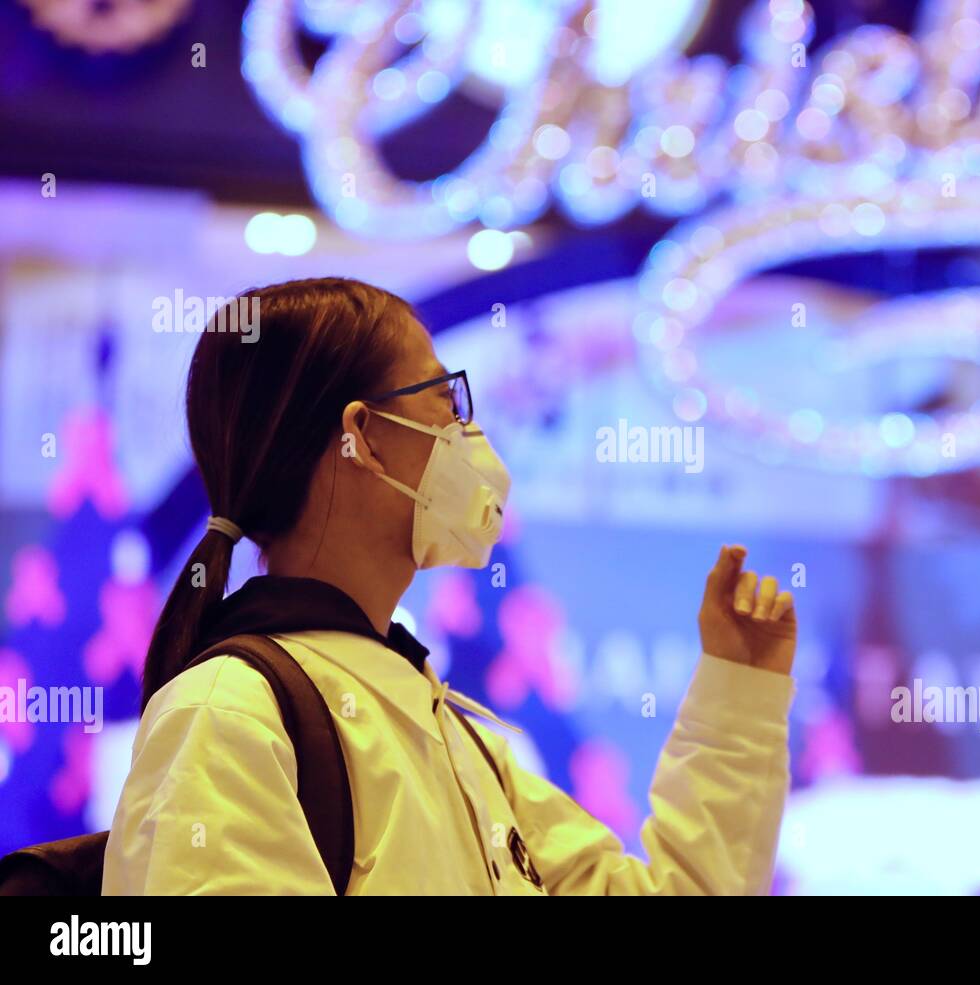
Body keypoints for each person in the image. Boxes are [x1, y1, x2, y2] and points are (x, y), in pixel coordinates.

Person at [102, 276, 797, 895]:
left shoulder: (460, 742)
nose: (471, 433)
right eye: (446, 400)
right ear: (362, 438)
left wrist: (741, 692)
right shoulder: (229, 716)